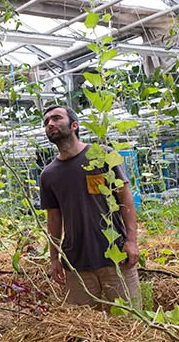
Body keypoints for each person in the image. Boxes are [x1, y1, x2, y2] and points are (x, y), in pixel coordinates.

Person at [39, 105, 142, 309]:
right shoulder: (48, 175)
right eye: (46, 122)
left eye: (56, 118)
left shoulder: (102, 155)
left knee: (128, 324)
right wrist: (54, 258)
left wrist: (131, 240)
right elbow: (53, 219)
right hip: (76, 263)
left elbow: (125, 198)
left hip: (115, 255)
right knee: (85, 328)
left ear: (74, 125)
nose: (50, 123)